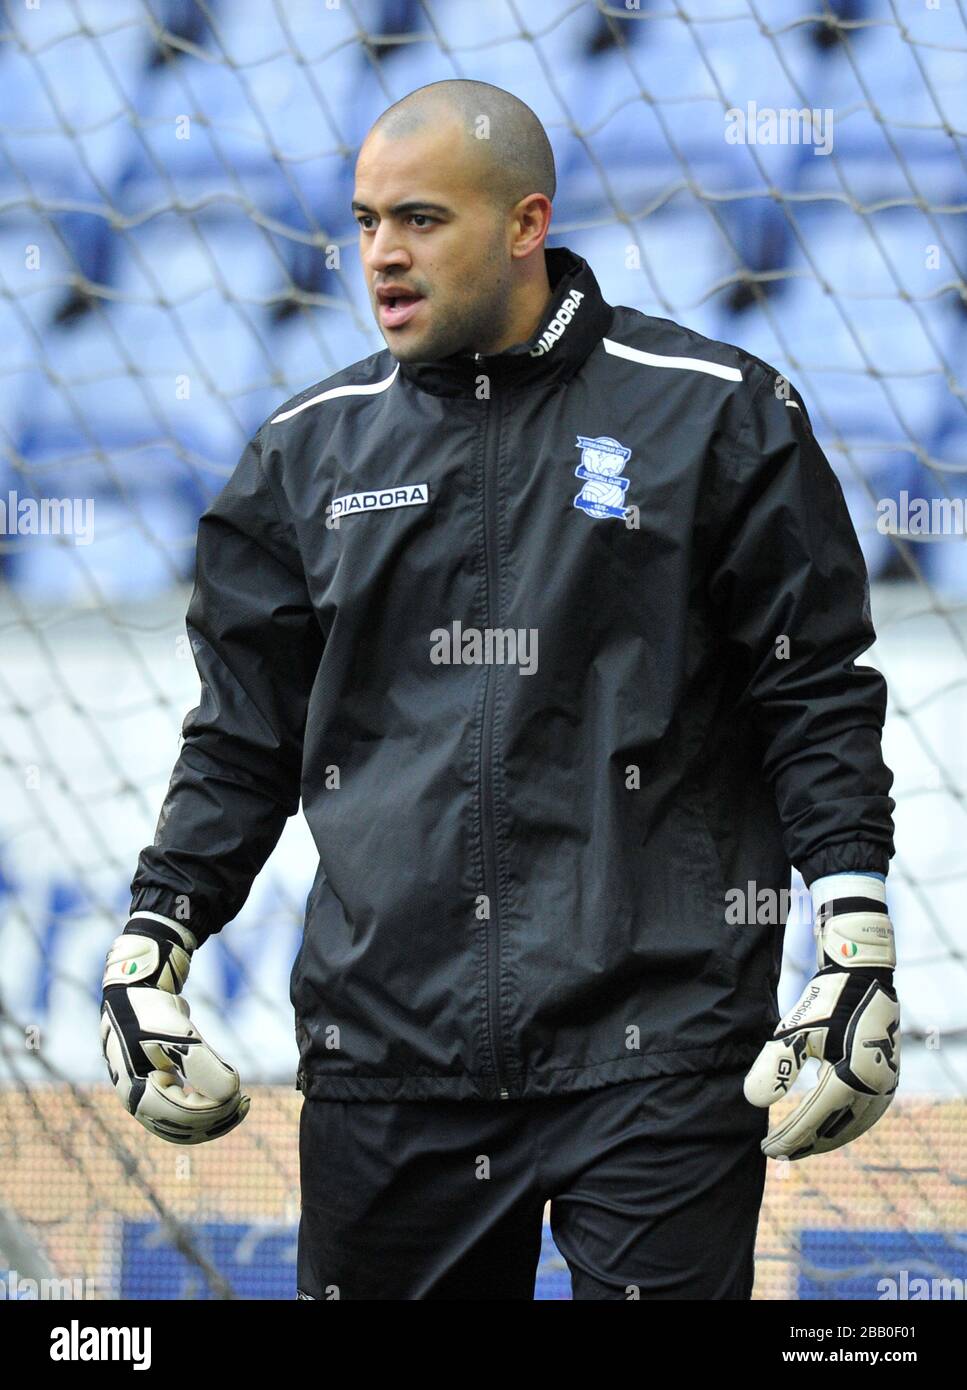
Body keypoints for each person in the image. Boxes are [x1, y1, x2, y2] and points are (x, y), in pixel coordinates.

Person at [100, 79, 901, 1300]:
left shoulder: (714, 412)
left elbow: (814, 689)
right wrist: (155, 934)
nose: (381, 255)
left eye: (419, 219)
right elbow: (241, 735)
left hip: (660, 1050)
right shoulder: (302, 453)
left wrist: (852, 933)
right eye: (365, 221)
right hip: (387, 1055)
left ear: (525, 224)